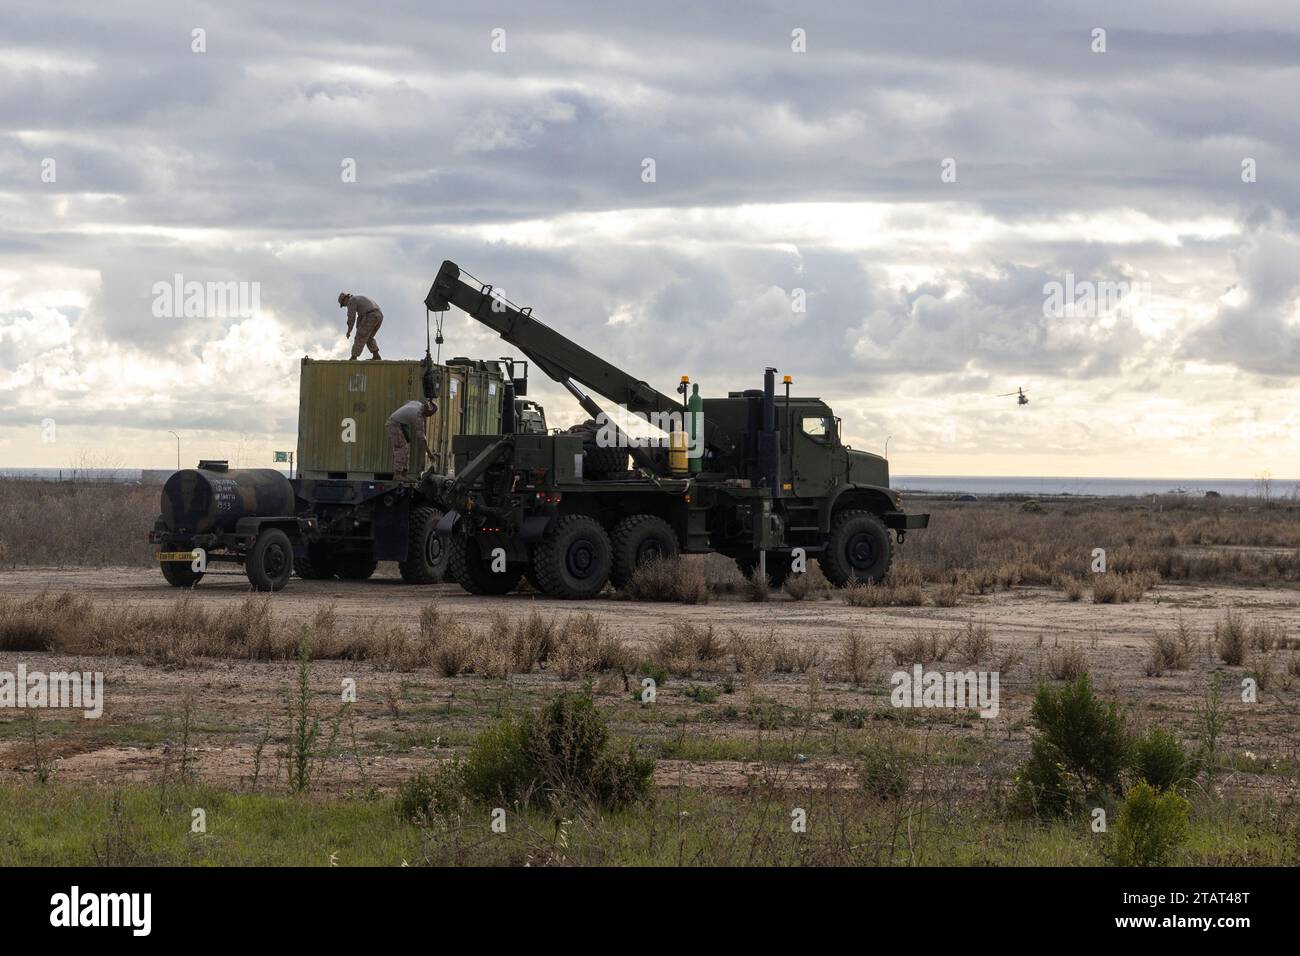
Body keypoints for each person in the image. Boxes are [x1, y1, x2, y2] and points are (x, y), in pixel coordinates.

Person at [386, 398, 437, 478]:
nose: (428, 416)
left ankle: (404, 474)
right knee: (401, 448)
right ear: (426, 411)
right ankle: (397, 475)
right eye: (428, 414)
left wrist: (405, 415)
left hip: (401, 423)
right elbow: (422, 438)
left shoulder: (418, 403)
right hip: (394, 424)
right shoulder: (418, 417)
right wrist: (430, 454)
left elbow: (406, 402)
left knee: (407, 446)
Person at [339, 292, 383, 360]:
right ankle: (376, 355)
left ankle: (354, 357)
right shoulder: (358, 298)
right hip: (379, 315)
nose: (345, 306)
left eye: (343, 304)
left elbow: (351, 317)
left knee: (360, 335)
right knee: (368, 337)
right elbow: (360, 317)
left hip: (371, 315)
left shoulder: (351, 301)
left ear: (345, 299)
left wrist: (349, 331)